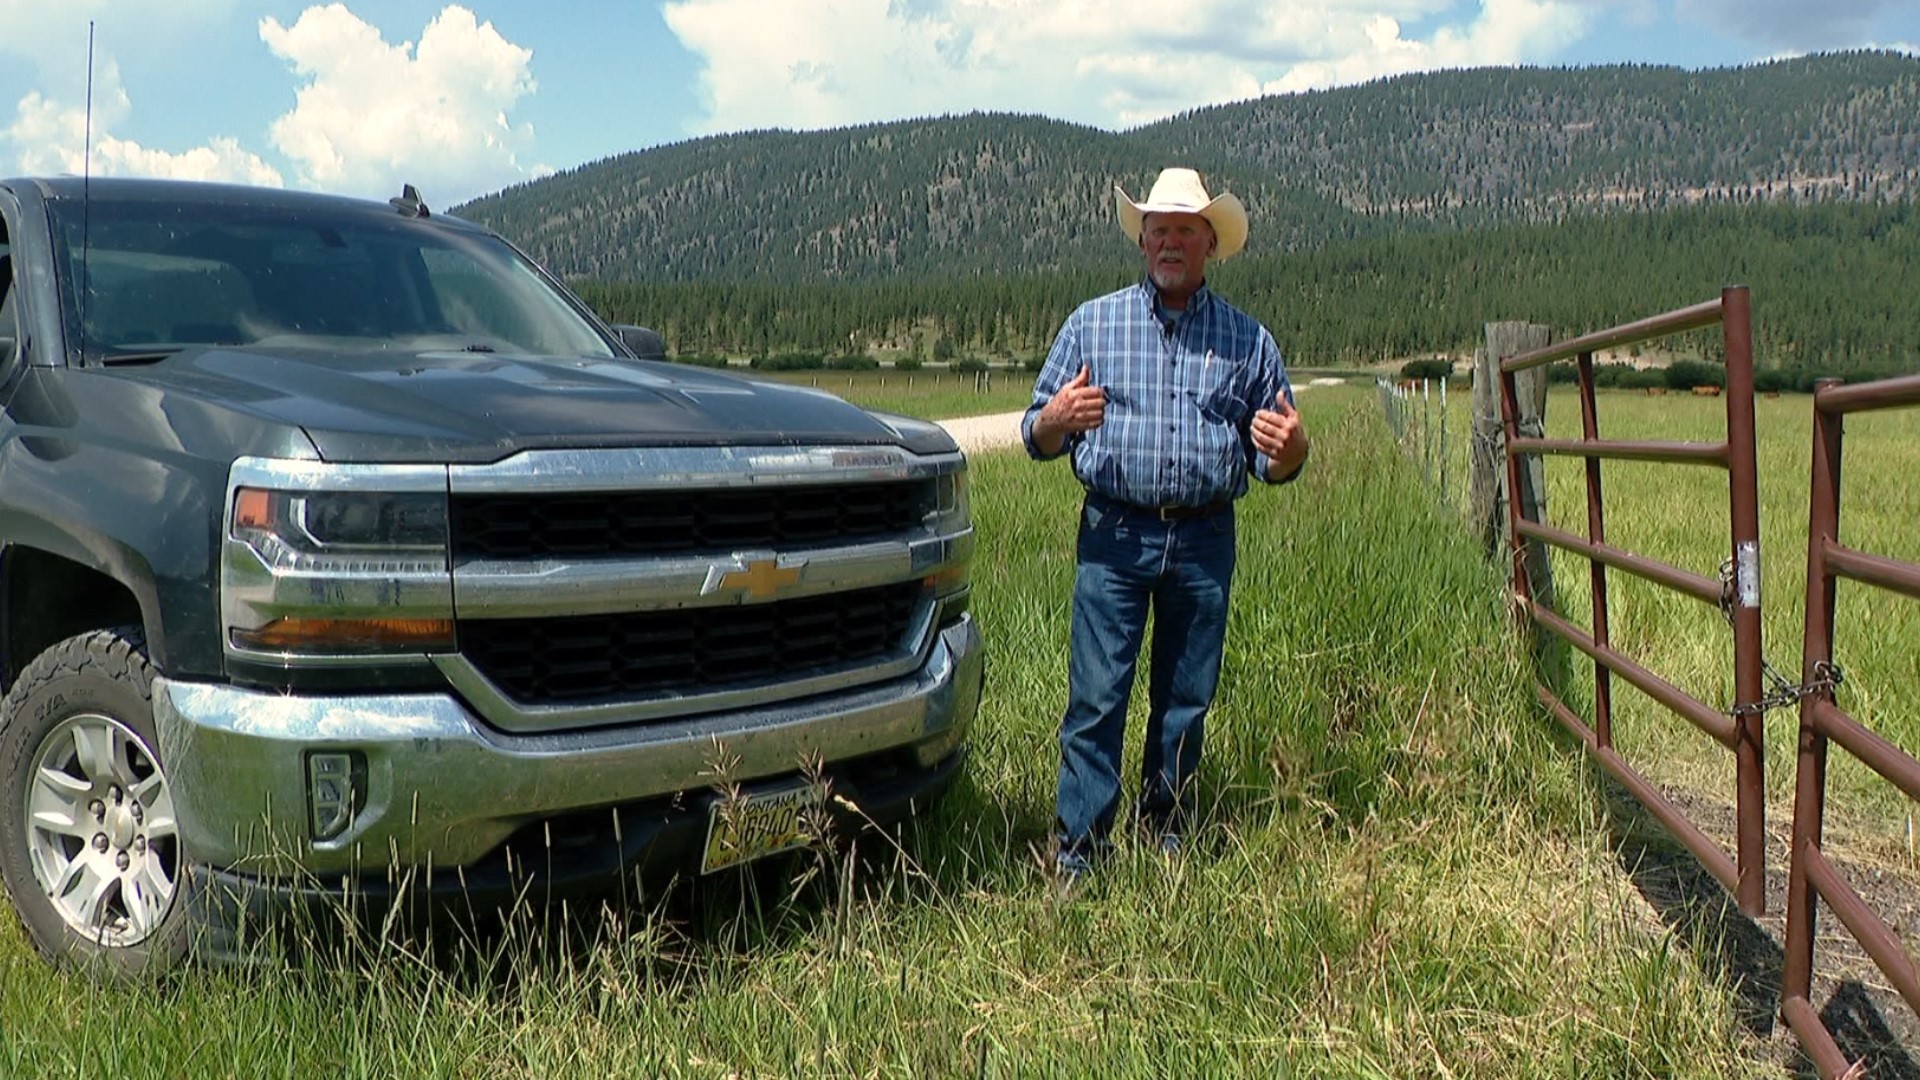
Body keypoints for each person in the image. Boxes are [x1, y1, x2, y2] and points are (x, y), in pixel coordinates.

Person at [1021, 166, 1309, 880]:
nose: (1171, 242)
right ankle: (1080, 853)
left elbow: (1274, 453)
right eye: (1159, 230)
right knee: (1096, 699)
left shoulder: (1249, 343)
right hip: (1114, 538)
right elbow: (1034, 433)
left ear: (1210, 243)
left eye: (1186, 230)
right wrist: (1056, 420)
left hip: (1205, 538)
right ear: (1142, 241)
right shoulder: (1092, 324)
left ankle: (1167, 836)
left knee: (1186, 699)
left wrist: (1293, 452)